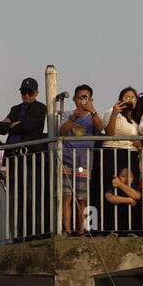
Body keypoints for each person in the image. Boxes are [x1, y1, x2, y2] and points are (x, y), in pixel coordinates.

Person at [0, 77, 49, 239]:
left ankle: (35, 233)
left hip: (30, 157)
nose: (26, 95)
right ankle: (19, 235)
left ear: (36, 93)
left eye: (29, 92)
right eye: (24, 92)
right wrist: (13, 124)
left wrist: (12, 125)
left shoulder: (40, 108)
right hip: (14, 158)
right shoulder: (15, 108)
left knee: (33, 197)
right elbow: (0, 127)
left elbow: (29, 125)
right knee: (16, 199)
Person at [60, 84, 103, 235]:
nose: (82, 101)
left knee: (81, 198)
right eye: (80, 97)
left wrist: (93, 111)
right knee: (66, 197)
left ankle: (82, 229)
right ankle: (66, 229)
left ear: (90, 99)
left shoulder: (93, 116)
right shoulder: (67, 114)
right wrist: (74, 118)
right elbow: (62, 130)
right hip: (66, 159)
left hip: (84, 160)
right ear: (74, 99)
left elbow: (100, 128)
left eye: (85, 97)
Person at [101, 87, 141, 226]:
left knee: (129, 189)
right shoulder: (111, 112)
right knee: (111, 188)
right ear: (120, 99)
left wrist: (138, 144)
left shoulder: (135, 121)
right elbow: (110, 133)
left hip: (130, 155)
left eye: (133, 97)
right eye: (126, 97)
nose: (130, 100)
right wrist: (114, 113)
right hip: (113, 153)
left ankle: (129, 227)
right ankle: (108, 227)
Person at [102, 160, 142, 235]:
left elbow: (137, 196)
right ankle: (112, 232)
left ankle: (132, 232)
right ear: (116, 176)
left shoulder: (135, 186)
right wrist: (129, 200)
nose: (127, 179)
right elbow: (110, 198)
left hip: (130, 222)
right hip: (115, 221)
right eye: (123, 176)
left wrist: (120, 184)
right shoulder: (112, 186)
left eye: (130, 176)